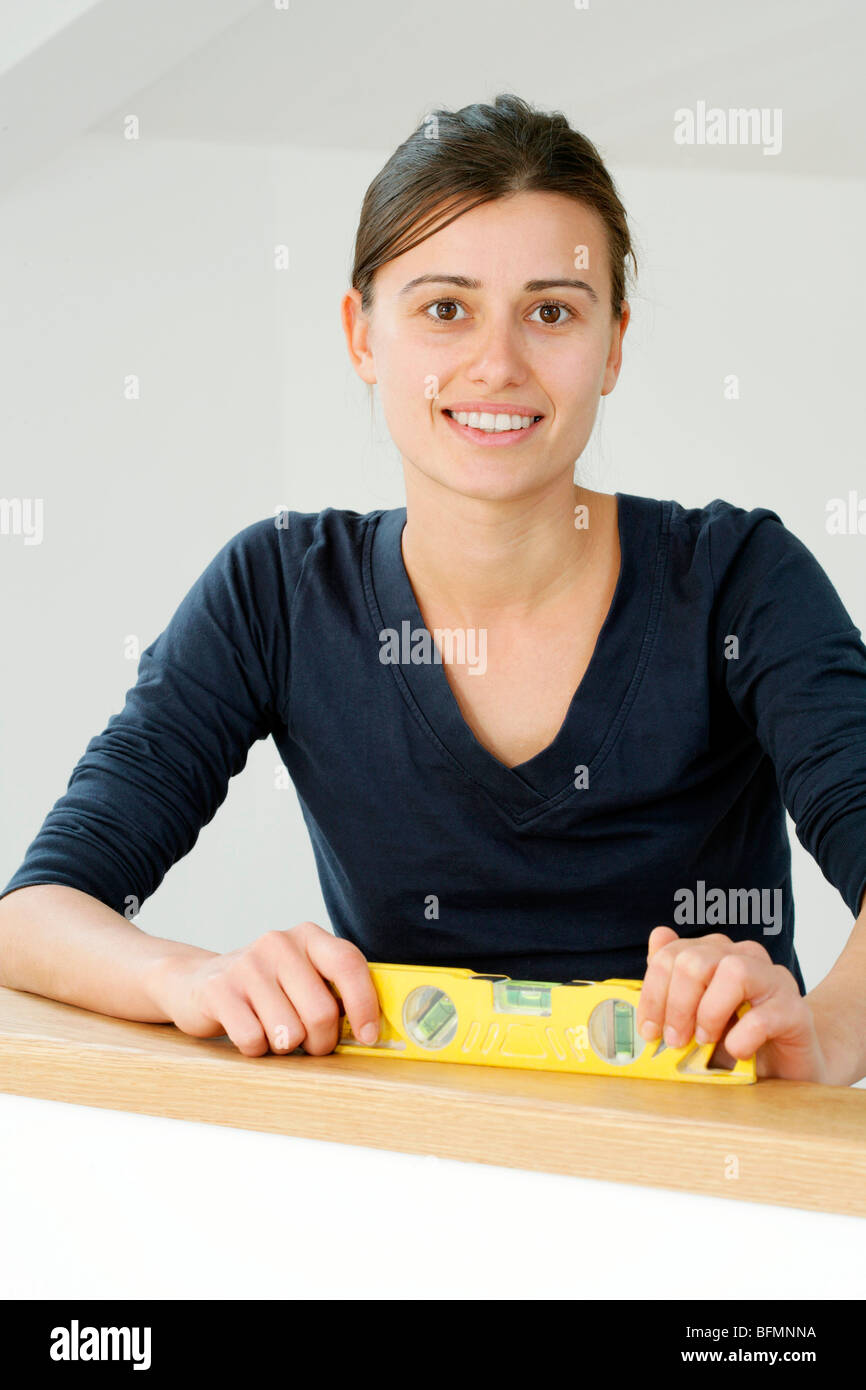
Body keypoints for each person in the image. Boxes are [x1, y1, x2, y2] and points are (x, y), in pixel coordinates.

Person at [1, 94, 864, 1085]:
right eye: (443, 307)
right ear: (362, 335)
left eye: (550, 311)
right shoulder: (277, 592)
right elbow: (31, 914)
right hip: (409, 1183)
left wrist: (826, 1037)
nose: (495, 364)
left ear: (613, 342)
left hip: (722, 1189)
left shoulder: (736, 581)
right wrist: (194, 979)